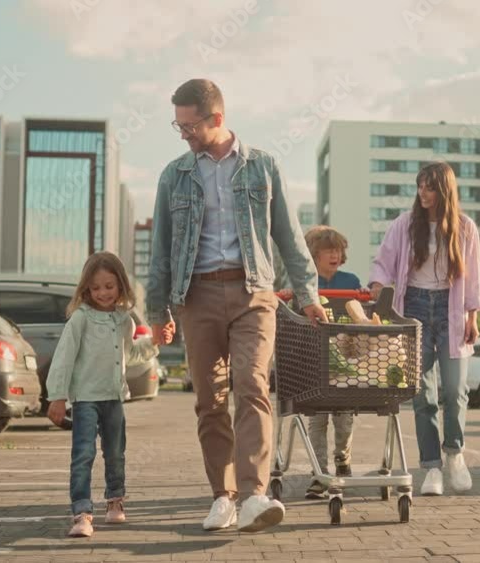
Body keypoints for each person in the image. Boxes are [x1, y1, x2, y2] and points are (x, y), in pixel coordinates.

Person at [146, 78, 327, 533]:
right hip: (197, 296)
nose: (183, 134)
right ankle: (222, 497)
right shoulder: (174, 175)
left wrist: (308, 295)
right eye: (178, 125)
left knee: (252, 384)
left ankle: (253, 495)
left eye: (189, 125)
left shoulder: (263, 166)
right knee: (210, 400)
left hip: (254, 294)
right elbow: (161, 250)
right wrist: (157, 312)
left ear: (217, 118)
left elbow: (289, 237)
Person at [368, 161, 480, 497]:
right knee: (422, 395)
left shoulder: (465, 227)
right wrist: (377, 284)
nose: (423, 193)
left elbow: (473, 276)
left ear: (444, 190)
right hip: (414, 307)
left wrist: (473, 317)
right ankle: (431, 467)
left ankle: (454, 454)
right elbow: (384, 260)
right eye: (420, 186)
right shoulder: (404, 224)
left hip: (451, 308)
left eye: (430, 187)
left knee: (455, 391)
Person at [45, 251, 164, 538]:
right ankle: (82, 513)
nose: (103, 293)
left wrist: (155, 341)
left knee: (115, 453)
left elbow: (130, 355)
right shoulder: (80, 319)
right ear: (86, 288)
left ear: (120, 285)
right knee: (83, 455)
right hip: (85, 399)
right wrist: (57, 396)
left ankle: (115, 500)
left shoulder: (124, 320)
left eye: (109, 286)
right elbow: (63, 358)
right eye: (96, 287)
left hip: (113, 398)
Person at [302, 226, 360, 499]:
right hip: (313, 362)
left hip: (345, 362)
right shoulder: (304, 283)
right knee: (317, 420)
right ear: (314, 255)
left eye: (337, 250)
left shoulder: (351, 282)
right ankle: (319, 473)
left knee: (344, 417)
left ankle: (342, 457)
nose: (334, 254)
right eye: (328, 250)